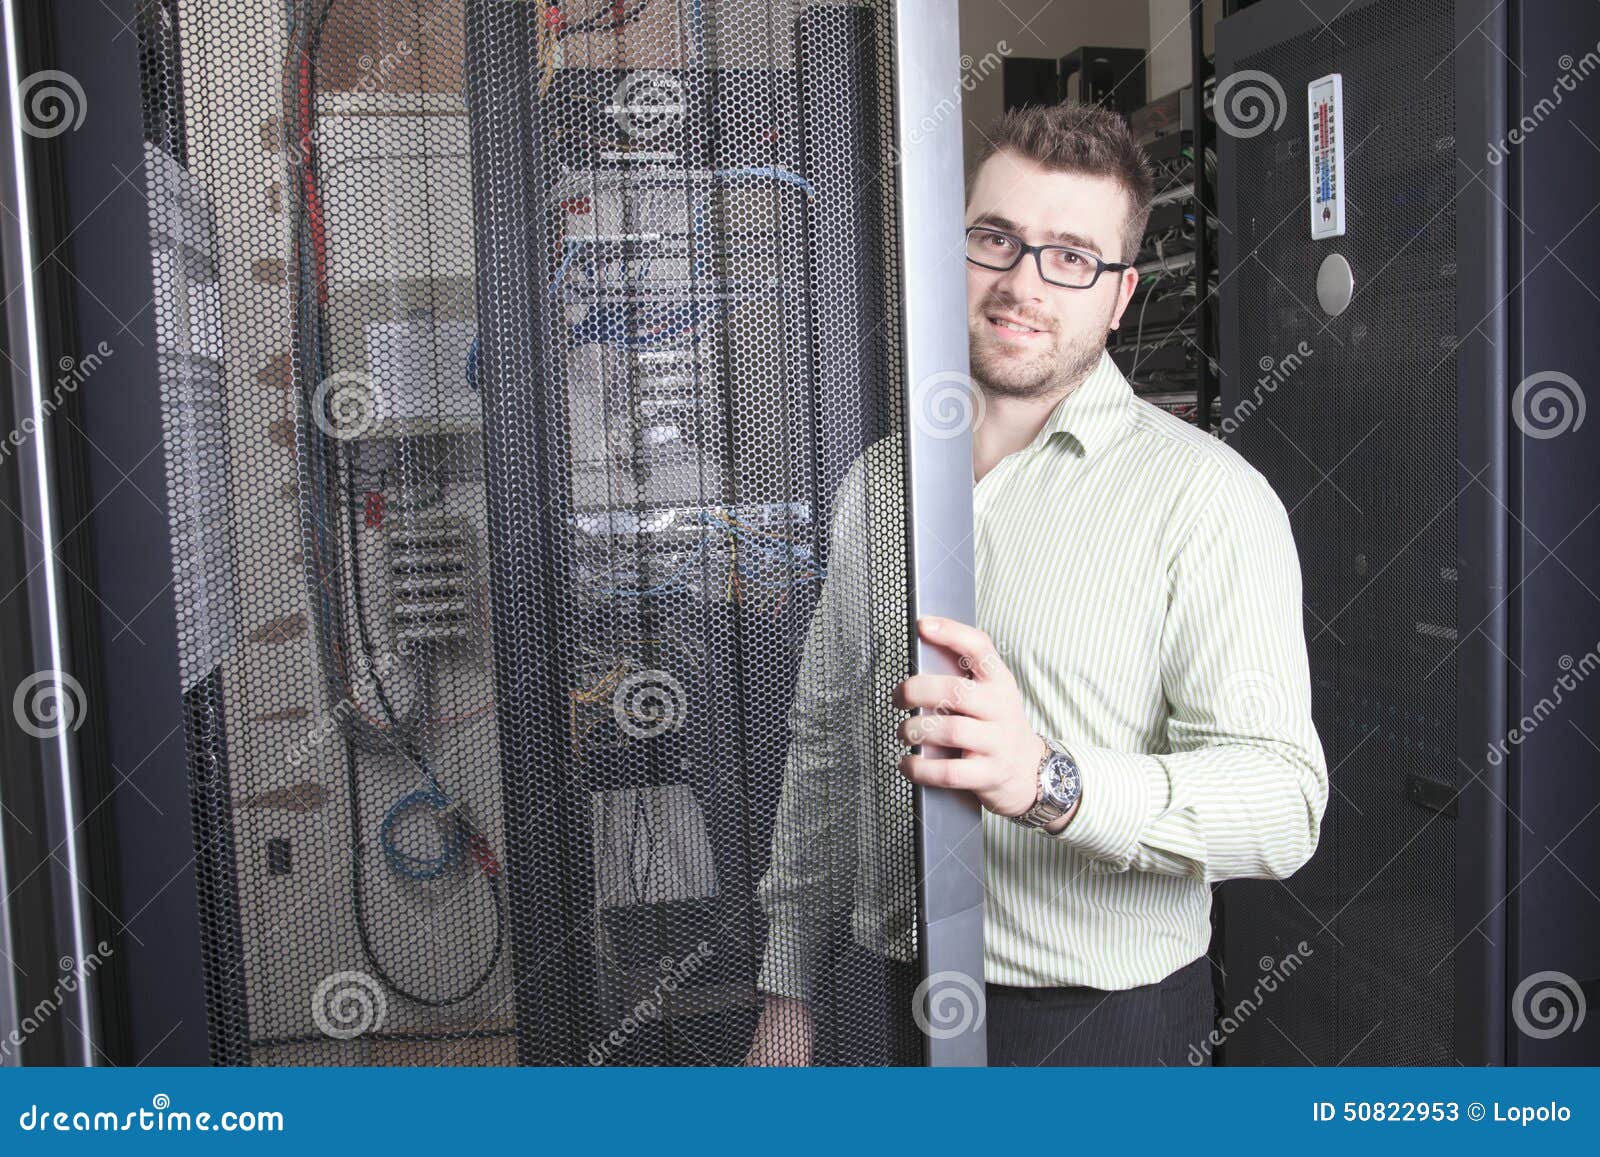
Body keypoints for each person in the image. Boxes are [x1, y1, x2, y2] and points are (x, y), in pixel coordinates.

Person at [742, 100, 1328, 1067]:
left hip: (1097, 1030)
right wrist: (788, 986)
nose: (1022, 283)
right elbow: (826, 739)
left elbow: (1283, 802)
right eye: (996, 239)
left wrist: (1050, 781)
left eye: (1071, 256)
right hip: (887, 998)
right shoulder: (879, 481)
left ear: (1121, 293)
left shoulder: (1206, 497)